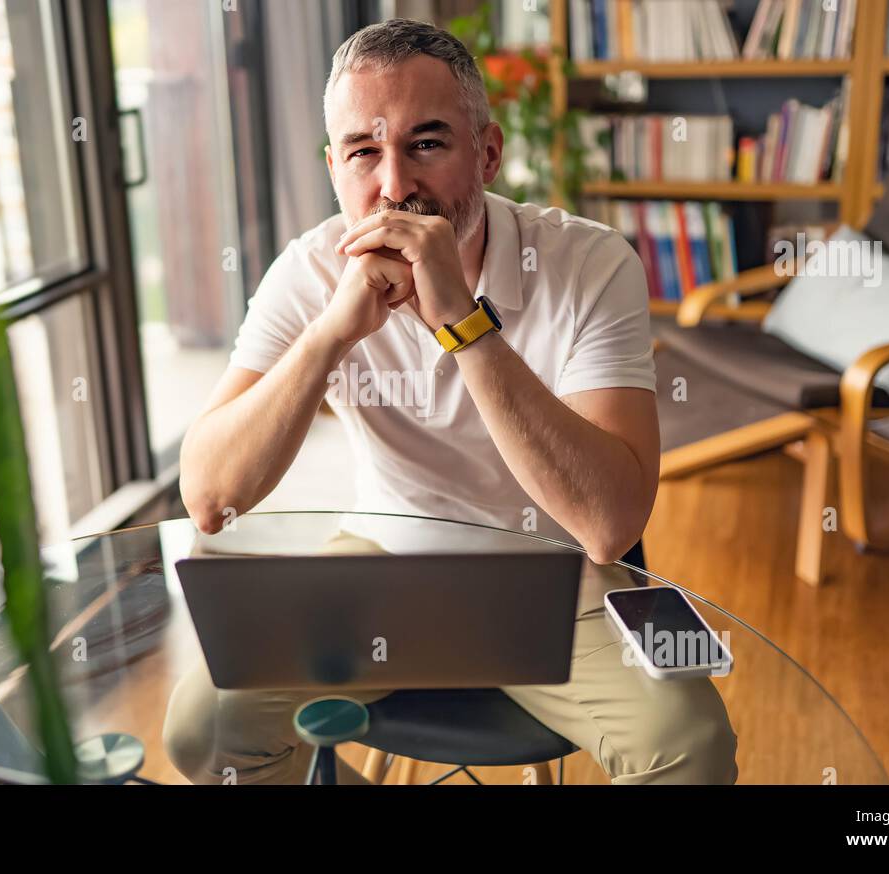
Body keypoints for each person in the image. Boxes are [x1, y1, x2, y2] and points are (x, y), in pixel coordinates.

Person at [164, 18, 737, 785]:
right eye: (364, 152)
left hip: (558, 574)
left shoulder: (591, 263)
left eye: (426, 143)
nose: (394, 184)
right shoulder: (306, 273)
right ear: (335, 167)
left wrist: (463, 325)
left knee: (689, 747)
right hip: (384, 564)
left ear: (488, 152)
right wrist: (331, 334)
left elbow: (608, 523)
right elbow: (208, 496)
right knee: (206, 729)